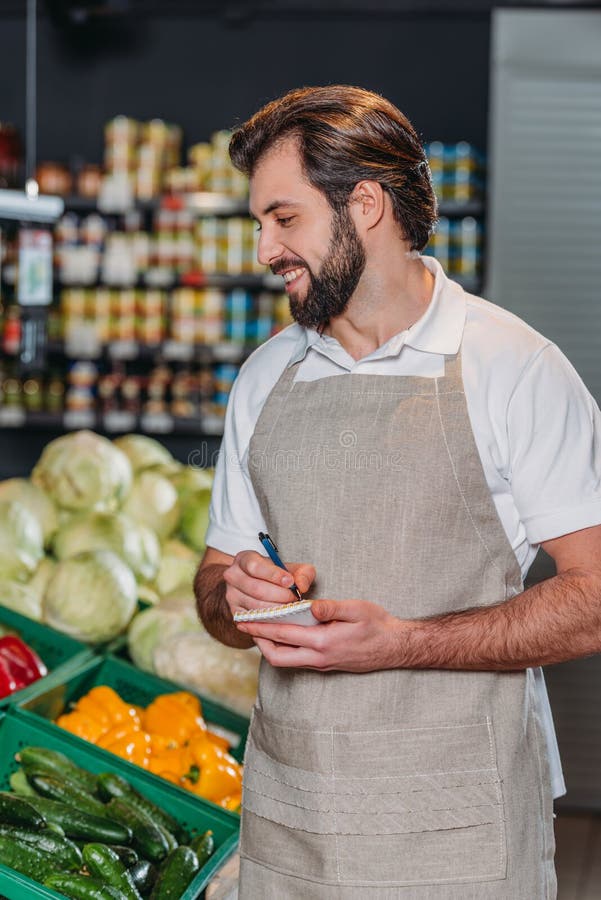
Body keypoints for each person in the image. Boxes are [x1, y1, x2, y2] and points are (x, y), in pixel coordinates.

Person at [194, 85, 601, 899]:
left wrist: (405, 641)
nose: (265, 249)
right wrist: (234, 594)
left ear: (366, 204)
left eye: (284, 218)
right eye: (259, 224)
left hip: (457, 832)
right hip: (290, 824)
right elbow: (212, 597)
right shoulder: (265, 377)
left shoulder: (510, 367)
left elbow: (593, 597)